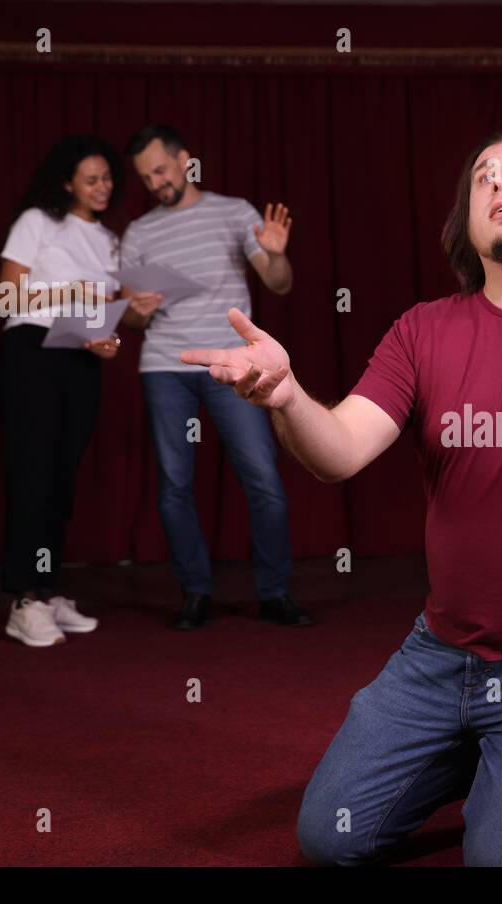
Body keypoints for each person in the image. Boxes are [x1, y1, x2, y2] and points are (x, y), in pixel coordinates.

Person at [183, 128, 502, 865]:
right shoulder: (422, 331)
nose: (499, 181)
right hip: (443, 651)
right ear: (466, 221)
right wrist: (287, 394)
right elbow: (336, 452)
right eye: (482, 177)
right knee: (329, 837)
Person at [120, 123, 311, 630]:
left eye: (161, 170)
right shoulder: (139, 232)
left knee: (263, 478)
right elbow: (131, 319)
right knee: (173, 487)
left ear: (185, 159)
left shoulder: (234, 211)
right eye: (146, 177)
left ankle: (273, 593)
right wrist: (136, 309)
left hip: (231, 365)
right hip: (165, 365)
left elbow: (280, 282)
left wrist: (273, 251)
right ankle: (195, 593)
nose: (156, 183)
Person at [0, 134, 124, 647]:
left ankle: (47, 592)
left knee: (62, 478)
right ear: (67, 181)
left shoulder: (111, 240)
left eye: (108, 178)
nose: (102, 187)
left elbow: (105, 313)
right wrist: (75, 292)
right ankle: (22, 599)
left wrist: (106, 342)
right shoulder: (37, 222)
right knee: (32, 472)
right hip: (31, 352)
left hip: (79, 358)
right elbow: (6, 296)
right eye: (91, 179)